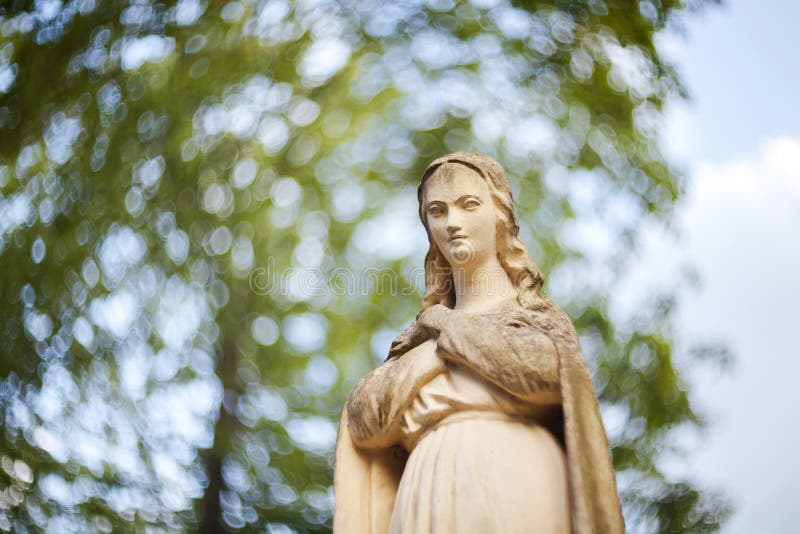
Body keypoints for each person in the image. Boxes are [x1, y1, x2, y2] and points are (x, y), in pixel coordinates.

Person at [333, 152, 624, 534]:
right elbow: (365, 419)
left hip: (516, 476)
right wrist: (441, 347)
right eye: (437, 212)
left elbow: (547, 371)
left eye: (468, 205)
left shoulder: (534, 316)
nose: (452, 222)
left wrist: (441, 325)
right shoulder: (414, 342)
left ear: (499, 214)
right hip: (422, 494)